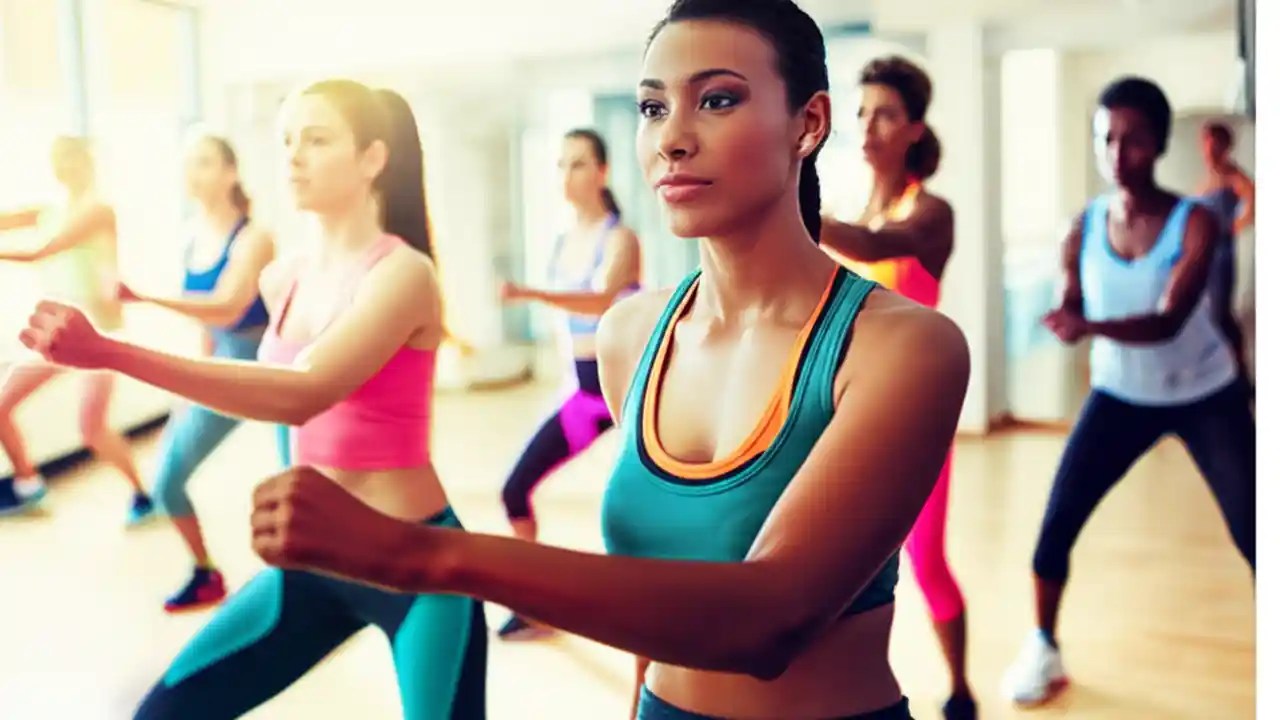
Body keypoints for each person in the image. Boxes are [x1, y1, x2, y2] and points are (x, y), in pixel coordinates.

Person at [30, 2, 967, 718]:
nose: (671, 135)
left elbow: (766, 622)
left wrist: (420, 553)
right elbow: (652, 594)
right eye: (652, 107)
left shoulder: (904, 348)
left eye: (717, 99)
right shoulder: (632, 335)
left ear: (807, 123)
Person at [21, 82, 487, 718]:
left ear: (373, 158)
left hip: (417, 567)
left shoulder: (403, 274)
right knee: (159, 713)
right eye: (287, 140)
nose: (293, 155)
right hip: (314, 560)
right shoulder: (284, 275)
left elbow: (304, 392)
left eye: (317, 140)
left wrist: (112, 351)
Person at [1000, 77, 1256, 708]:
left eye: (1135, 140)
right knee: (1055, 528)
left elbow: (1168, 321)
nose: (1119, 153)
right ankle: (1043, 647)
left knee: (1258, 533)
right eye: (1107, 138)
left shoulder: (1195, 222)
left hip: (1206, 395)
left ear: (1161, 144)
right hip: (1119, 396)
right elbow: (1073, 299)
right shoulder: (1081, 227)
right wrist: (1065, 316)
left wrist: (1086, 327)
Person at [820, 56, 975, 720]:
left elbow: (873, 240)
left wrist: (790, 202)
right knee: (842, 565)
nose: (867, 126)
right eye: (860, 113)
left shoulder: (931, 212)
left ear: (913, 128)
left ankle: (960, 687)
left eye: (884, 113)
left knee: (927, 560)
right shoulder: (851, 209)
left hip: (917, 413)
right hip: (847, 411)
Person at [116, 133, 276, 612]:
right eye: (189, 164)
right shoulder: (193, 239)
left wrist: (144, 297)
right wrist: (191, 384)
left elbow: (227, 307)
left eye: (205, 163)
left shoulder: (255, 237)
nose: (194, 173)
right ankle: (205, 573)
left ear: (231, 173)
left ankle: (320, 578)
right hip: (221, 363)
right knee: (166, 480)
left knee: (306, 476)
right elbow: (211, 328)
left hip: (265, 368)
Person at [496, 127, 642, 640]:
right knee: (514, 491)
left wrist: (531, 293)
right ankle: (531, 604)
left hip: (623, 400)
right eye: (561, 164)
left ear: (602, 172)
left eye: (578, 163)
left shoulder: (620, 238)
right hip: (582, 399)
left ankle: (656, 614)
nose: (567, 174)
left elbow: (602, 300)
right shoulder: (564, 241)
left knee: (634, 519)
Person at [0, 136, 150, 521]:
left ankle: (143, 496)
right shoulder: (49, 209)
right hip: (56, 331)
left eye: (70, 158)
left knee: (92, 430)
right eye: (57, 159)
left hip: (96, 333)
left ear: (87, 161)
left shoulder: (98, 210)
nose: (63, 166)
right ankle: (28, 485)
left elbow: (40, 252)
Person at [1195, 120, 1255, 386]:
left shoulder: (1233, 176)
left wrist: (1233, 227)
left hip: (1221, 256)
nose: (1207, 149)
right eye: (1205, 143)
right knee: (1208, 314)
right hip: (1202, 257)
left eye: (1212, 143)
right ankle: (1219, 374)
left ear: (1224, 146)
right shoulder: (1206, 179)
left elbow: (1255, 202)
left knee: (1221, 314)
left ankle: (1240, 376)